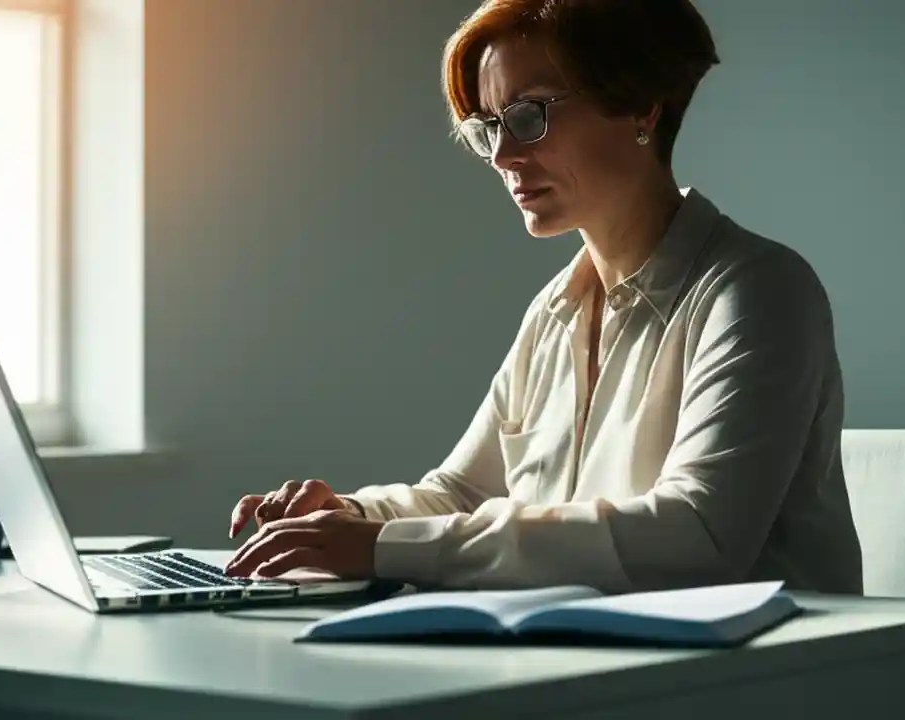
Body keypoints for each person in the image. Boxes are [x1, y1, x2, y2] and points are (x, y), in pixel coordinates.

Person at [225, 0, 862, 594]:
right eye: (488, 128)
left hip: (760, 666)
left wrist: (381, 546)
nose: (503, 155)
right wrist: (344, 518)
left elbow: (698, 534)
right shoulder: (555, 311)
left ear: (642, 106)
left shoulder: (757, 291)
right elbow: (461, 495)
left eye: (530, 116)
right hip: (587, 656)